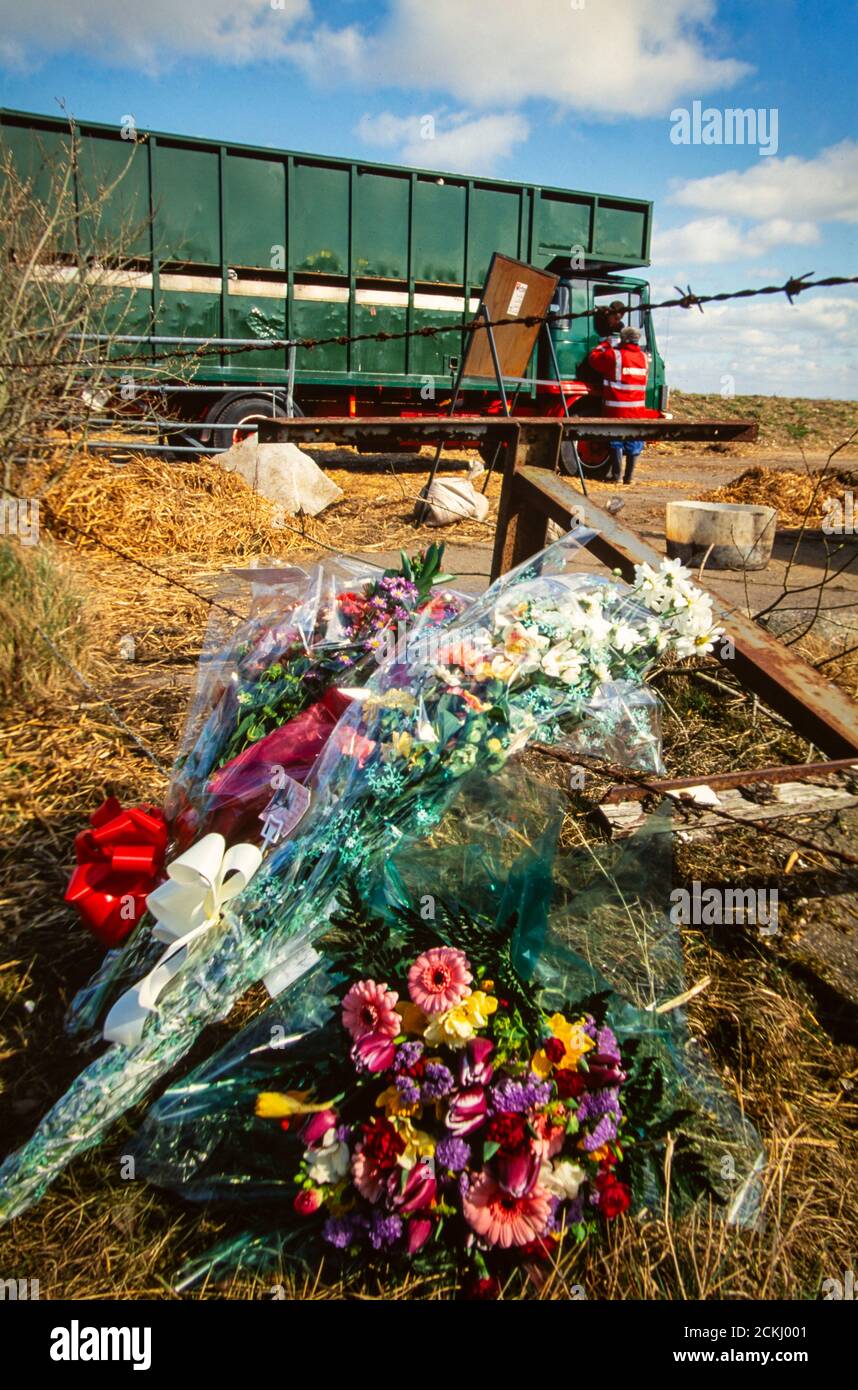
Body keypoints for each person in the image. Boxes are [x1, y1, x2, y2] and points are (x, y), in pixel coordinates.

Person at [587, 325, 648, 485]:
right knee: (634, 442)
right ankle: (629, 478)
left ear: (623, 339)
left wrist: (606, 344)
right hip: (637, 411)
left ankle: (616, 476)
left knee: (616, 441)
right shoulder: (643, 357)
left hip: (616, 408)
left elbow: (593, 358)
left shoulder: (615, 355)